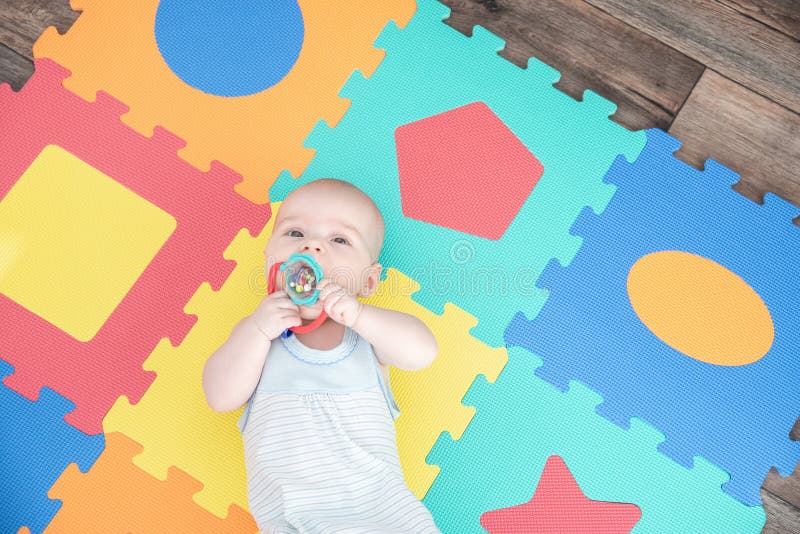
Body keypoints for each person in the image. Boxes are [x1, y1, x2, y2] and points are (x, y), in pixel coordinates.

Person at [202, 178, 441, 533]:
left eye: (339, 240)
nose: (312, 246)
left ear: (368, 282)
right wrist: (256, 329)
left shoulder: (367, 342)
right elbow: (219, 397)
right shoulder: (256, 339)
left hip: (381, 516)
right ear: (271, 259)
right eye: (295, 233)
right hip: (289, 522)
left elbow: (423, 352)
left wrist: (359, 315)